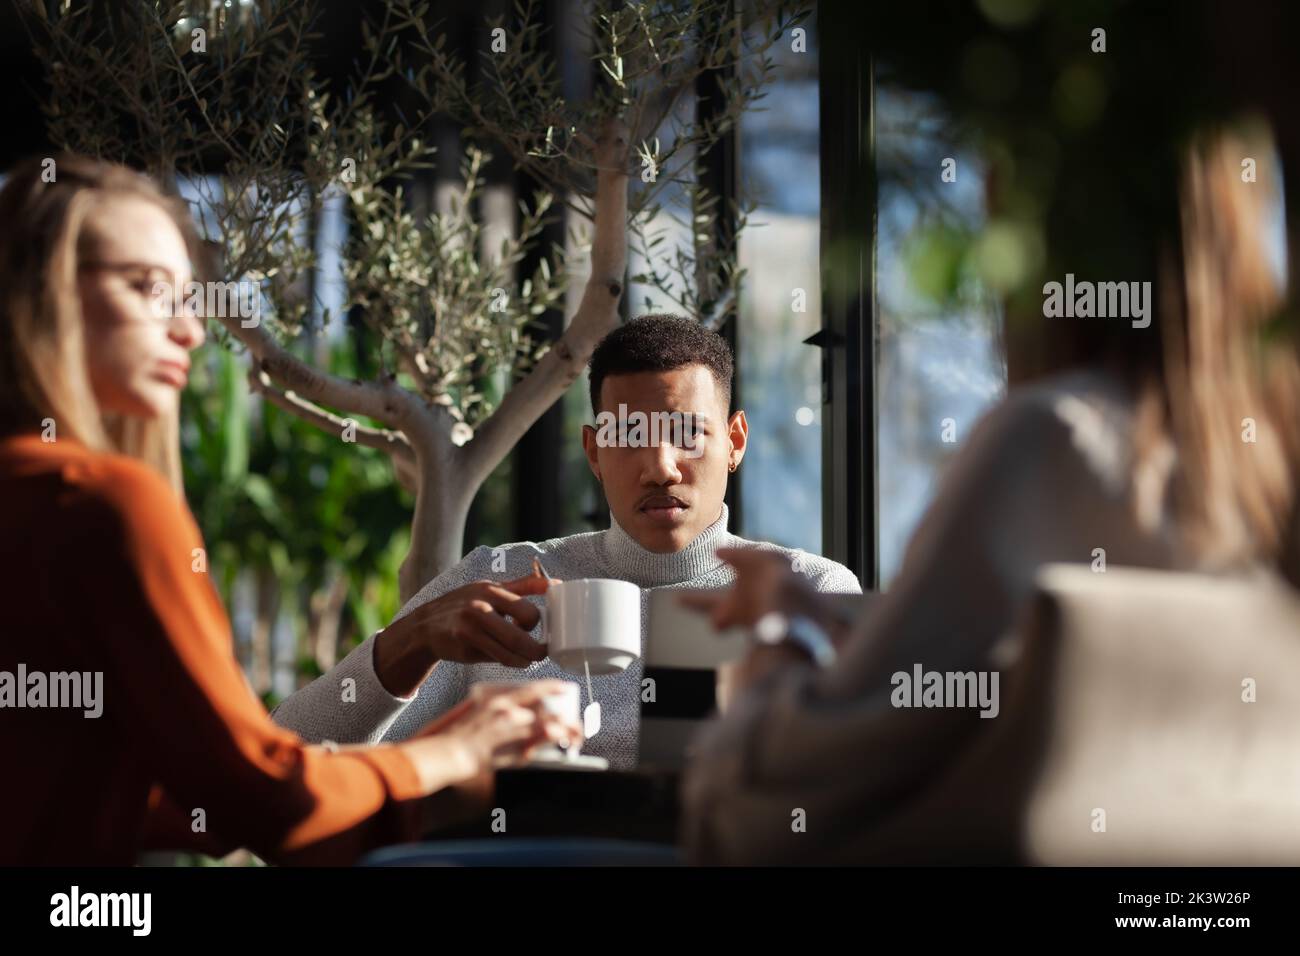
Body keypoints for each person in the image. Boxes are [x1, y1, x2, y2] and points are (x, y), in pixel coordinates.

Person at [678, 125, 1300, 863]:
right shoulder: (1267, 480)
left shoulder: (1053, 440)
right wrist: (852, 636)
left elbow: (761, 811)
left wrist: (781, 634)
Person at [0, 155, 580, 866]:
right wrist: (455, 750)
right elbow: (262, 799)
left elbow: (186, 803)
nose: (189, 332)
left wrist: (410, 656)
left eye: (192, 300)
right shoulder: (103, 503)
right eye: (150, 289)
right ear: (42, 292)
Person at [272, 316, 861, 767]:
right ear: (593, 452)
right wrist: (410, 642)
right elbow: (287, 756)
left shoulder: (809, 590)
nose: (660, 467)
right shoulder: (503, 582)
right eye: (630, 436)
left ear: (735, 441)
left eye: (687, 434)